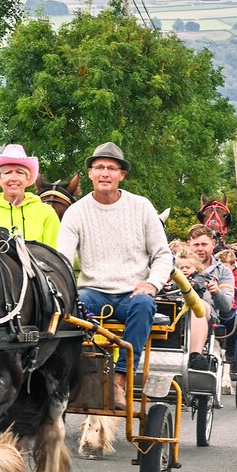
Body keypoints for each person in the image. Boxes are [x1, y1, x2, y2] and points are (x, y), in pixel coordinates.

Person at [56, 141, 173, 408]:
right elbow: (62, 258)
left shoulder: (141, 207)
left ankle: (120, 379)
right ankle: (79, 377)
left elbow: (163, 255)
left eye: (111, 168)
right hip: (93, 293)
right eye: (99, 167)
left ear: (122, 175)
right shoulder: (76, 212)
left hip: (133, 293)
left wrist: (152, 284)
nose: (105, 173)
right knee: (72, 307)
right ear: (90, 174)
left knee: (145, 305)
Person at [0, 143, 60, 247]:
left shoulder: (47, 213)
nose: (14, 178)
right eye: (7, 172)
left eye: (20, 172)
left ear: (28, 178)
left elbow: (55, 256)